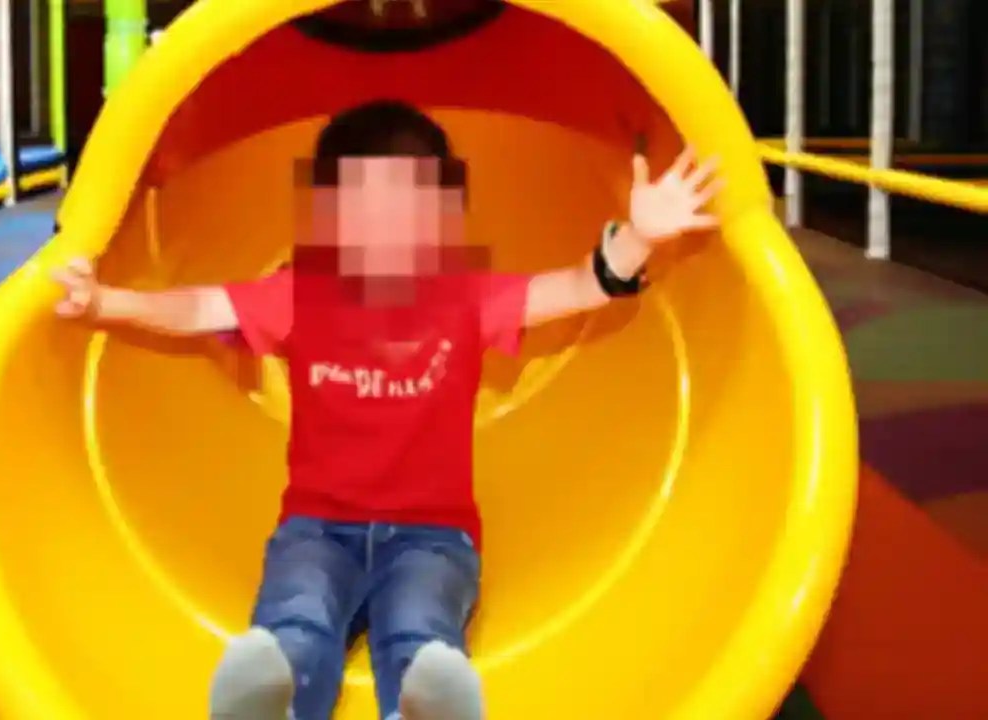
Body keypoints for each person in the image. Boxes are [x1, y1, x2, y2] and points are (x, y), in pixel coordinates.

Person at [53, 100, 720, 720]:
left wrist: (637, 238)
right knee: (299, 612)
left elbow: (577, 287)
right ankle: (275, 696)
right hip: (318, 526)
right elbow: (200, 308)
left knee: (420, 622)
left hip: (434, 533)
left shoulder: (465, 297)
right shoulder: (300, 293)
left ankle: (425, 700)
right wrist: (106, 303)